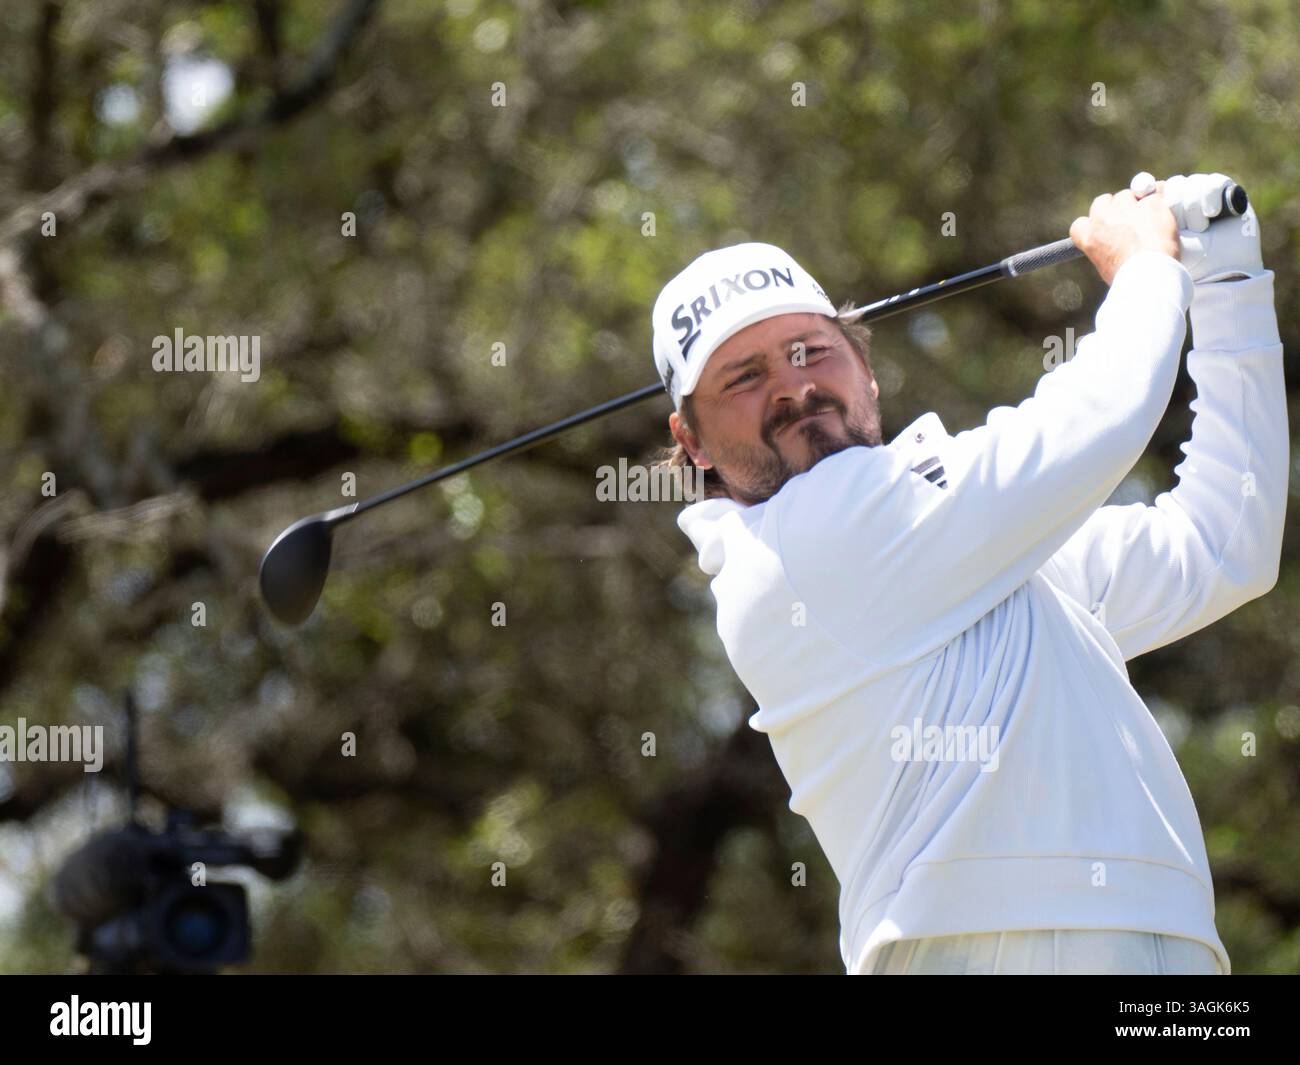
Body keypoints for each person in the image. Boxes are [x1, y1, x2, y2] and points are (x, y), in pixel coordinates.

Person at [650, 172, 1287, 974]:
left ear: (866, 368)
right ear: (693, 441)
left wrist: (1228, 280)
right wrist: (1145, 269)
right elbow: (1098, 417)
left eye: (810, 349)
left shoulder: (974, 548)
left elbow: (1224, 545)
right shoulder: (799, 545)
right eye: (743, 376)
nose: (793, 386)